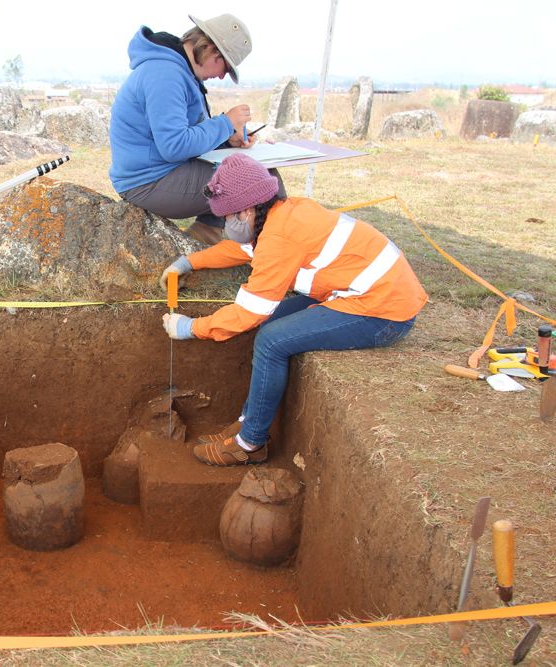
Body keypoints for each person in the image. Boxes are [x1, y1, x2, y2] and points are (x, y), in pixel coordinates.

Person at [159, 153, 428, 466]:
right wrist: (191, 262)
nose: (224, 224)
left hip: (384, 310)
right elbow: (242, 248)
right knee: (272, 325)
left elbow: (249, 313)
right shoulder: (279, 214)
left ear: (246, 210)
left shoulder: (279, 237)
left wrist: (191, 327)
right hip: (354, 291)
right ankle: (249, 424)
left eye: (226, 217)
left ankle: (248, 444)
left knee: (271, 340)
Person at [109, 13, 285, 246]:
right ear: (211, 49)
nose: (222, 75)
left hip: (161, 171)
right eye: (226, 65)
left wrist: (228, 139)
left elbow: (188, 132)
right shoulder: (165, 74)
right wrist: (225, 123)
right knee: (261, 177)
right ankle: (279, 247)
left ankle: (210, 231)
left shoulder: (179, 70)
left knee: (255, 168)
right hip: (148, 182)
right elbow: (174, 146)